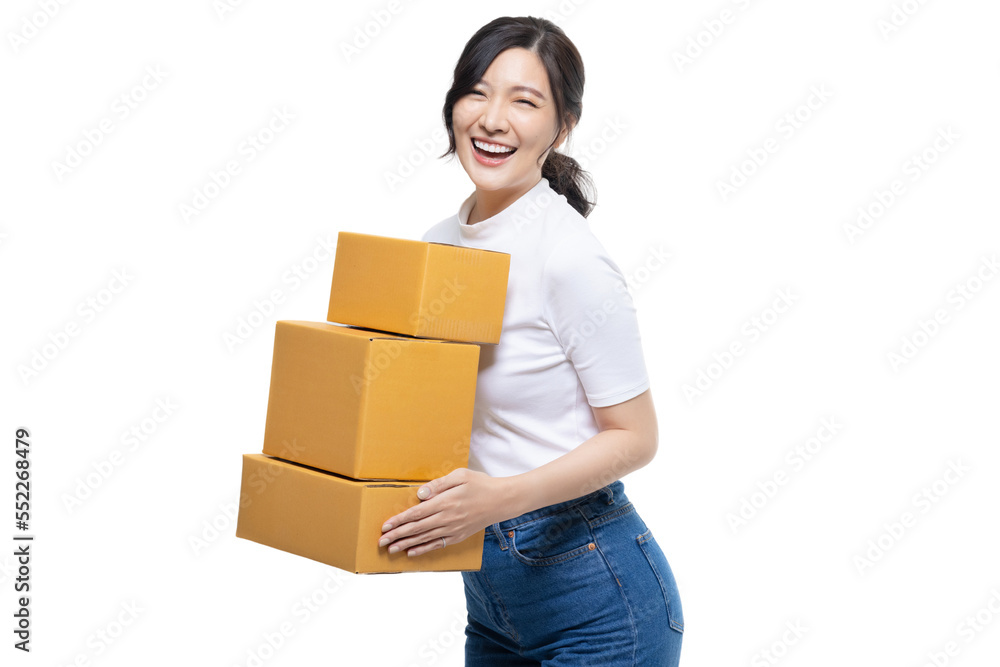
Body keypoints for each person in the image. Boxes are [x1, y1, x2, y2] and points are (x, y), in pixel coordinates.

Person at [378, 16, 683, 666]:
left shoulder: (568, 257)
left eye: (524, 101)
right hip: (492, 600)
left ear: (562, 126)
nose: (492, 119)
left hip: (597, 599)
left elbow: (636, 436)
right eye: (477, 92)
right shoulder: (438, 244)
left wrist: (498, 498)